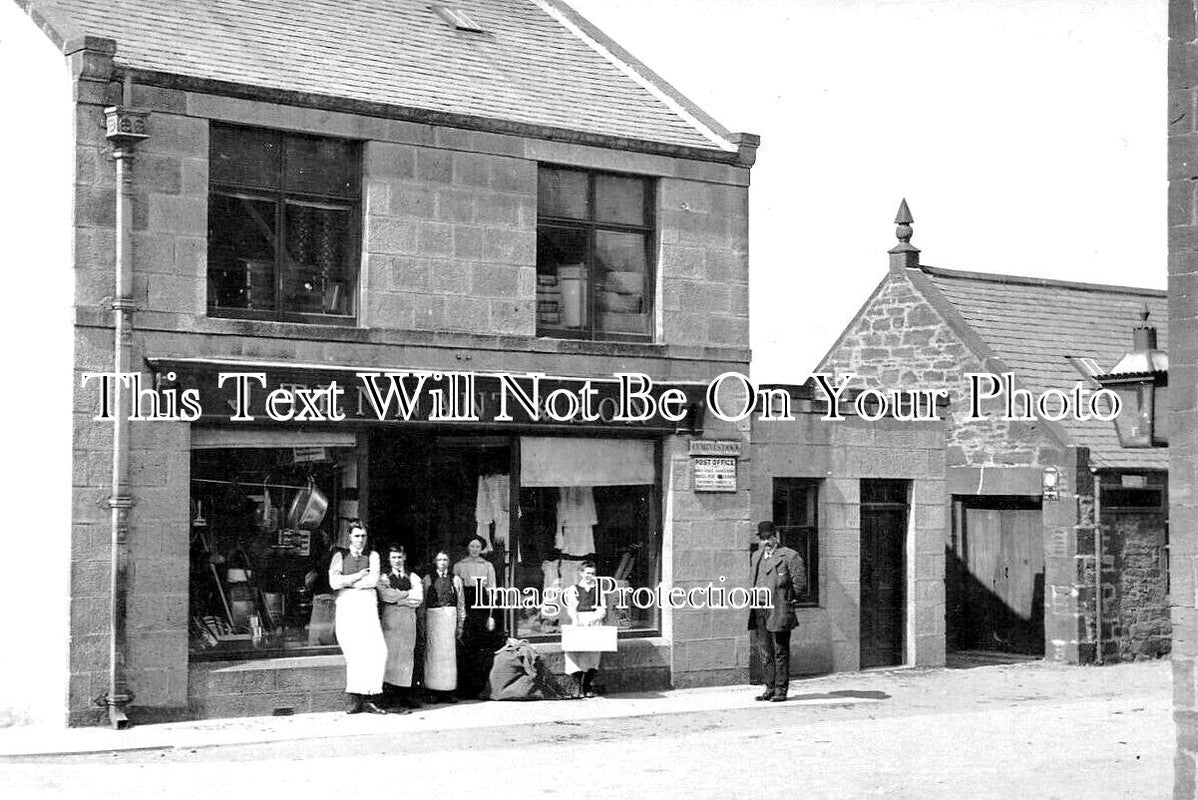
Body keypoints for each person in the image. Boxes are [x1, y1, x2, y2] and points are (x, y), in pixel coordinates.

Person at [328, 523, 388, 714]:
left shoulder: (373, 556)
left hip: (367, 602)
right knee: (354, 651)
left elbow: (372, 581)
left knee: (377, 650)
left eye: (363, 536)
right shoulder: (339, 556)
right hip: (347, 603)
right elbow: (334, 582)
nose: (360, 540)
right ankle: (355, 698)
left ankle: (371, 697)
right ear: (349, 538)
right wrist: (358, 576)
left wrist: (350, 580)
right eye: (356, 536)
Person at [748, 521, 807, 702]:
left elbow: (800, 584)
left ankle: (781, 690)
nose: (766, 542)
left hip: (779, 610)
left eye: (769, 538)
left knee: (780, 651)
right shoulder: (756, 556)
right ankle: (770, 687)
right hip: (760, 609)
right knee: (765, 651)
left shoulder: (790, 556)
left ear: (776, 536)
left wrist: (788, 600)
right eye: (763, 539)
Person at [377, 544, 423, 710]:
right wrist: (405, 595)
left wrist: (397, 598)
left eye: (399, 557)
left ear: (404, 557)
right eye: (393, 557)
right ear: (389, 559)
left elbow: (417, 598)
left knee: (405, 656)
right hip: (391, 620)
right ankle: (390, 698)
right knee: (391, 657)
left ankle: (404, 696)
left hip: (408, 620)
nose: (396, 560)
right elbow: (385, 595)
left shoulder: (413, 576)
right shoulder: (384, 577)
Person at [454, 535, 499, 698]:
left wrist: (491, 615)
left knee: (481, 647)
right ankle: (464, 689)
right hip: (465, 603)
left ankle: (480, 688)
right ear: (468, 548)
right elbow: (456, 591)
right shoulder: (459, 566)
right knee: (465, 646)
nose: (475, 550)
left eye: (478, 547)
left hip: (482, 605)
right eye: (472, 546)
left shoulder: (488, 566)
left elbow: (492, 590)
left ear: (482, 549)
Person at [423, 550, 465, 703]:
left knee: (448, 657)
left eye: (445, 560)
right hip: (433, 617)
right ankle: (432, 691)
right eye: (439, 559)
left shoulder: (455, 580)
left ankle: (448, 691)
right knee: (433, 656)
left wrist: (460, 624)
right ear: (435, 561)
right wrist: (423, 624)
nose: (442, 563)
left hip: (449, 618)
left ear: (449, 562)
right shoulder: (428, 579)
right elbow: (422, 604)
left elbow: (461, 603)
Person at [562, 560, 606, 698]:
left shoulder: (598, 590)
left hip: (593, 622)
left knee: (592, 656)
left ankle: (587, 685)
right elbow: (571, 607)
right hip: (579, 622)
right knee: (574, 654)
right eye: (587, 573)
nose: (590, 576)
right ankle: (577, 686)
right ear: (581, 573)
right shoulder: (573, 589)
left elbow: (602, 609)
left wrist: (592, 620)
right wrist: (576, 621)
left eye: (592, 574)